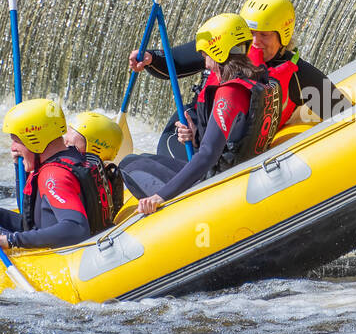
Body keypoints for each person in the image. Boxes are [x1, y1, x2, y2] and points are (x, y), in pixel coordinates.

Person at [129, 0, 349, 158]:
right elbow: (173, 63)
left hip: (227, 151)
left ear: (283, 35)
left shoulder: (298, 75)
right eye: (251, 33)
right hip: (186, 132)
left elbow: (342, 112)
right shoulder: (225, 45)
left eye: (264, 35)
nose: (255, 42)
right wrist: (151, 58)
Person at [119, 13, 282, 216]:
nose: (204, 63)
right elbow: (238, 138)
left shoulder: (230, 92)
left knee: (128, 166)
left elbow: (207, 154)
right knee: (139, 158)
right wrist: (196, 134)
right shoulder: (261, 79)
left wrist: (160, 196)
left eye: (205, 55)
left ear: (218, 51)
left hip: (215, 188)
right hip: (239, 176)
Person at [0, 98, 110, 256]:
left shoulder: (53, 176)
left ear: (35, 139)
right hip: (74, 248)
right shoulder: (74, 158)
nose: (13, 148)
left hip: (65, 263)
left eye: (16, 140)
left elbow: (76, 228)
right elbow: (38, 225)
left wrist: (11, 240)